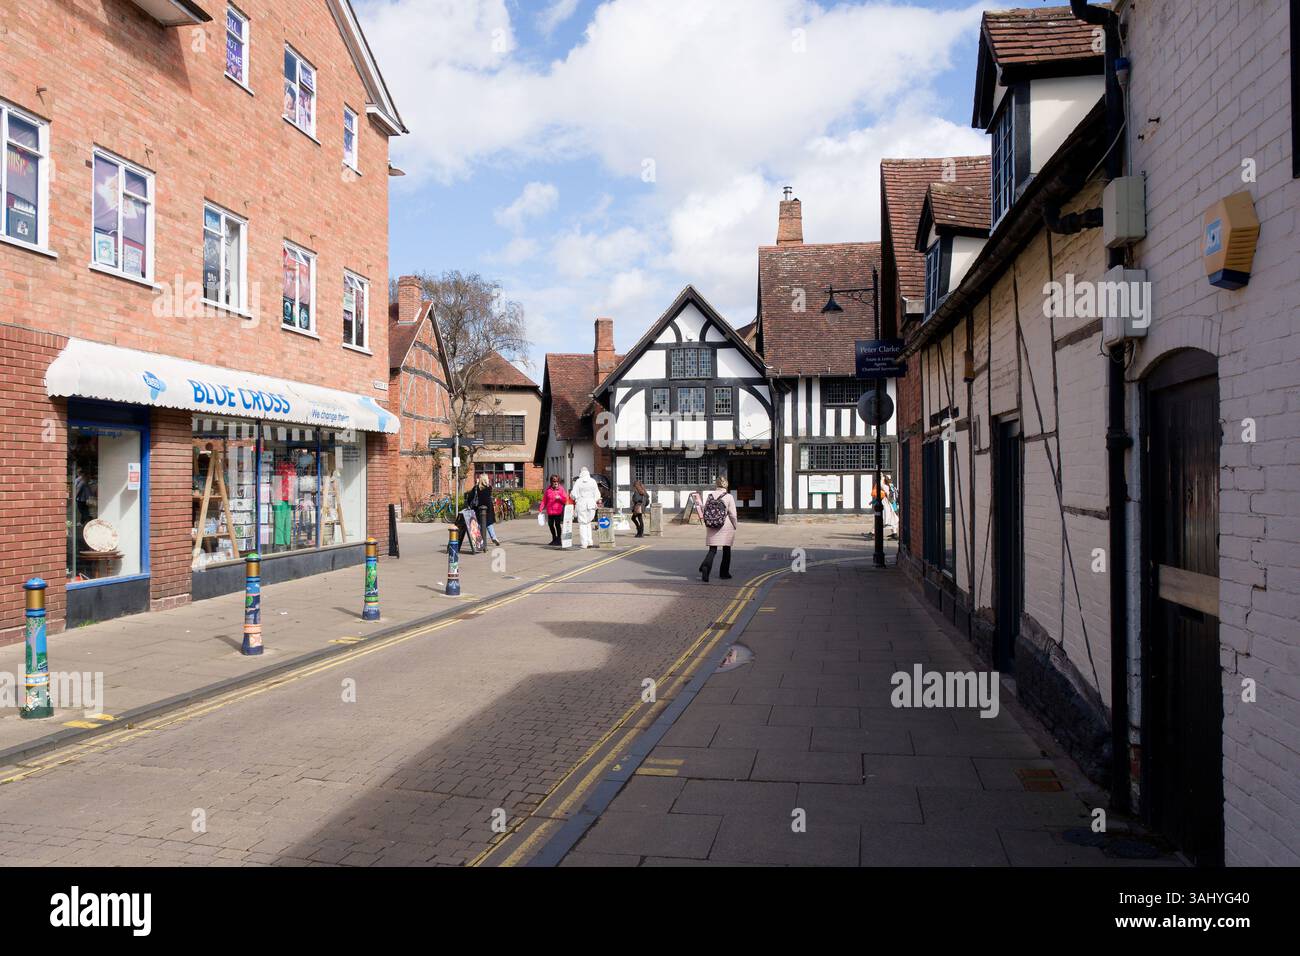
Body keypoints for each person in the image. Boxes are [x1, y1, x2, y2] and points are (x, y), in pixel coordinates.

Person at [697, 476, 737, 582]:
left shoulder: (710, 496)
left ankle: (706, 567)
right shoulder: (729, 497)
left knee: (712, 550)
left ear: (716, 484)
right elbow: (733, 514)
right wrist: (735, 525)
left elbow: (706, 509)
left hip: (712, 524)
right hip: (725, 525)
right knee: (726, 550)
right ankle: (724, 573)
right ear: (726, 485)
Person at [466, 475, 500, 546]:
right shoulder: (489, 488)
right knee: (489, 524)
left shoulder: (476, 488)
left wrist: (469, 505)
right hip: (488, 509)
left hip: (478, 509)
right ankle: (494, 537)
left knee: (479, 524)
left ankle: (480, 541)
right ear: (486, 480)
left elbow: (470, 498)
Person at [570, 467, 600, 549]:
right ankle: (590, 541)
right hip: (591, 503)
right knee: (588, 523)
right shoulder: (593, 481)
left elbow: (573, 494)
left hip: (582, 503)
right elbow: (597, 494)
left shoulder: (579, 481)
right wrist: (593, 500)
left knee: (582, 524)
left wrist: (574, 498)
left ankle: (584, 543)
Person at [542, 474, 568, 546]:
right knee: (550, 525)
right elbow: (544, 500)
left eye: (557, 481)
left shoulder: (561, 489)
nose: (555, 482)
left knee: (557, 525)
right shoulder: (548, 490)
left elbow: (565, 500)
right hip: (550, 511)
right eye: (554, 481)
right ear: (551, 482)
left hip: (558, 511)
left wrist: (559, 498)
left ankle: (559, 540)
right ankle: (554, 538)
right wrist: (541, 508)